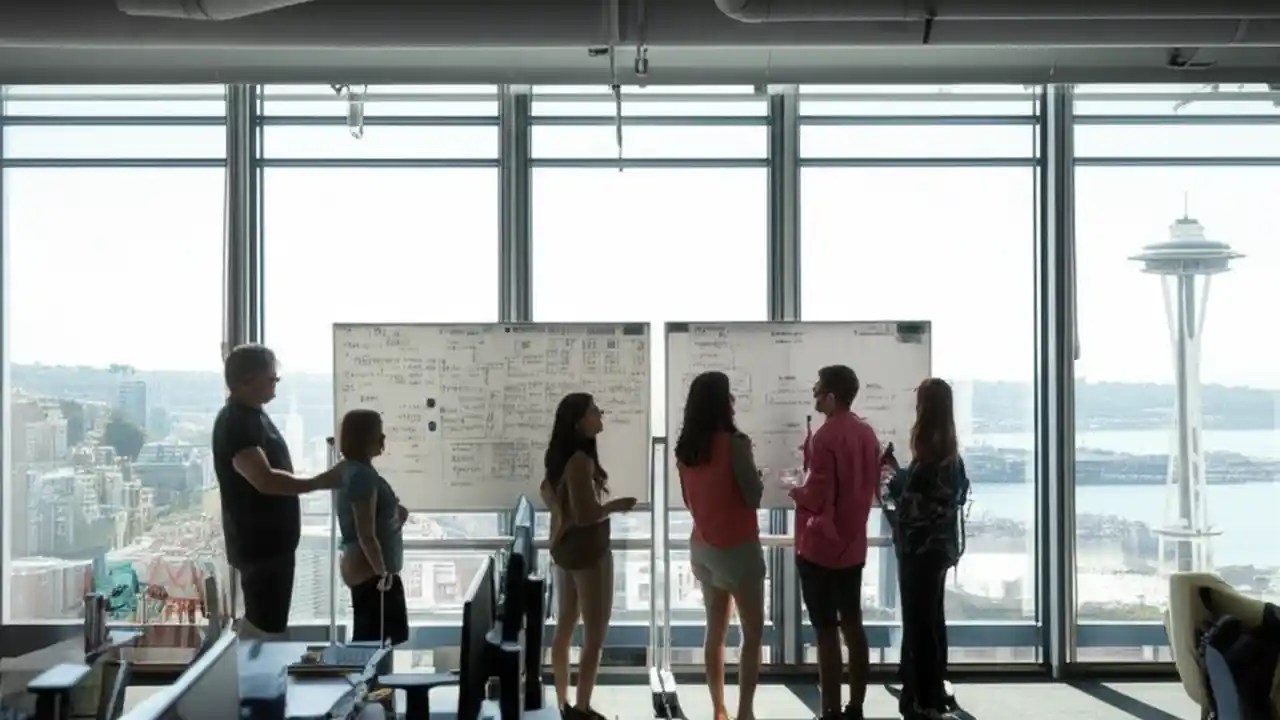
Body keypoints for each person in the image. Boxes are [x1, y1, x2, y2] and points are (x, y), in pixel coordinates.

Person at [211, 344, 344, 638]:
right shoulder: (237, 422)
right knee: (264, 627)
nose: (276, 384)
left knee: (269, 622)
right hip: (260, 547)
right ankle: (252, 680)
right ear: (247, 381)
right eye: (270, 379)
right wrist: (321, 481)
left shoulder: (252, 416)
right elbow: (264, 480)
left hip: (271, 546)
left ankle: (256, 676)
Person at [788, 365, 881, 720]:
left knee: (826, 631)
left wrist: (793, 489)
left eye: (818, 389)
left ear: (831, 395)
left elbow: (816, 494)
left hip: (820, 548)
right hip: (853, 546)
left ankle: (829, 709)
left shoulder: (825, 437)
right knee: (853, 625)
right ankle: (855, 705)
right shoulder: (867, 432)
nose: (814, 393)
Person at [540, 393, 637, 720]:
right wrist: (615, 506)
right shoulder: (580, 461)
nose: (600, 415)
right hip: (588, 552)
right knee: (594, 635)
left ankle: (563, 702)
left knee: (565, 627)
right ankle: (581, 708)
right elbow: (585, 515)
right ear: (580, 421)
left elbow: (555, 500)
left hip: (565, 551)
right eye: (594, 411)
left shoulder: (558, 459)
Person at [675, 371, 765, 720]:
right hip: (737, 549)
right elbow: (753, 496)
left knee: (715, 631)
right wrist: (757, 474)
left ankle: (718, 709)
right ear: (722, 401)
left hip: (703, 547)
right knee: (752, 633)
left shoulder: (686, 450)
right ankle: (745, 713)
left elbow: (688, 500)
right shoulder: (734, 444)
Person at [883, 378, 968, 720]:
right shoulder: (951, 453)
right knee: (933, 619)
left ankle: (921, 698)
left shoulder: (926, 455)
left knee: (918, 624)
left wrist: (893, 480)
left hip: (917, 551)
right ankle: (934, 689)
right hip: (941, 549)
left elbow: (908, 505)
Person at [336, 409, 410, 645]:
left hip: (371, 574)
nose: (383, 440)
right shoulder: (361, 476)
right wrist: (383, 574)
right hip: (372, 576)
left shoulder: (360, 472)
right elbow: (365, 534)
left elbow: (375, 518)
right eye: (378, 435)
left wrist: (395, 515)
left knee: (381, 642)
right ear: (363, 439)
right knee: (375, 645)